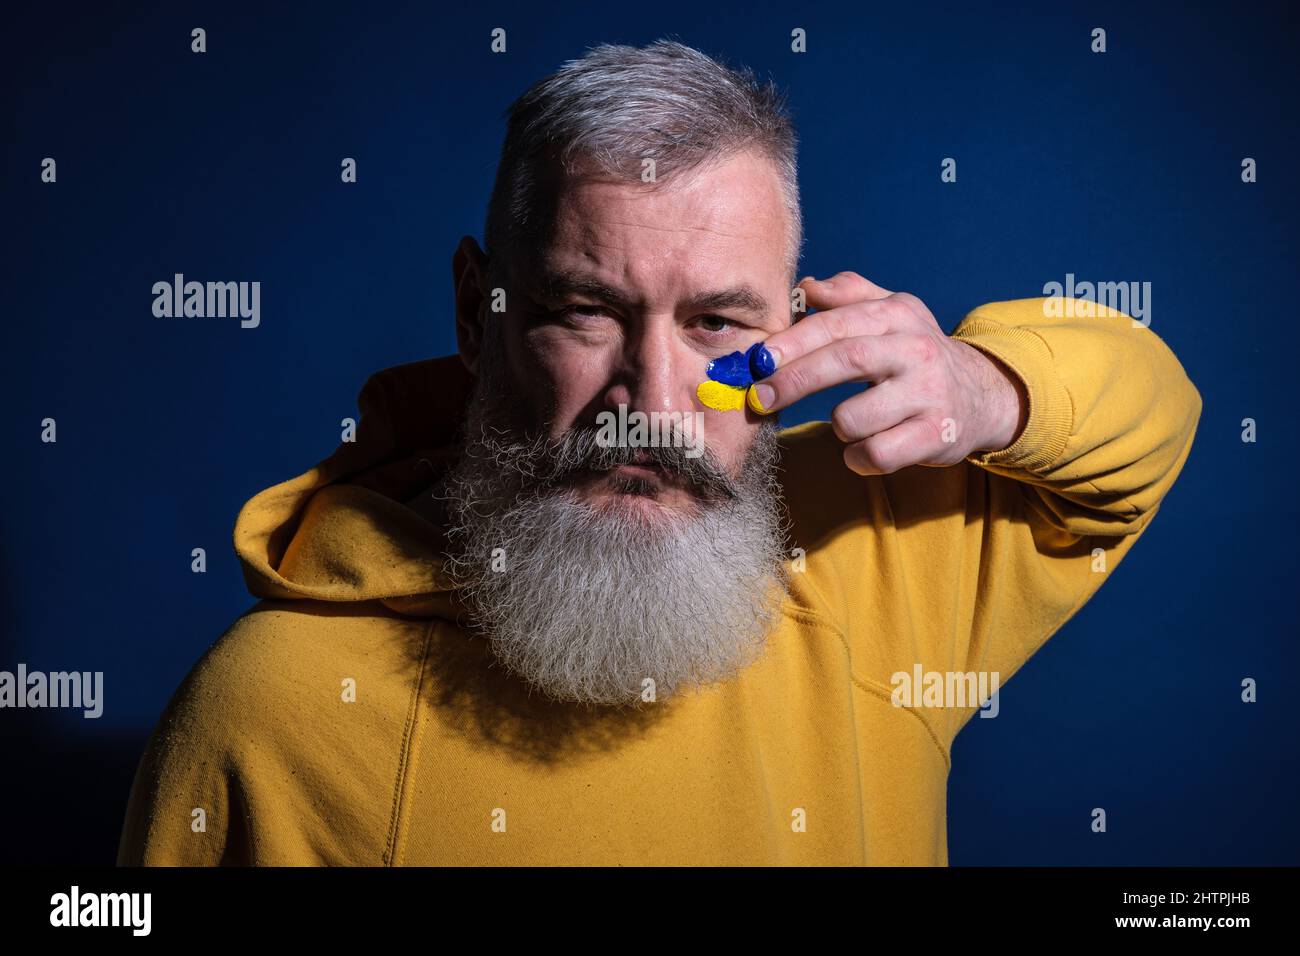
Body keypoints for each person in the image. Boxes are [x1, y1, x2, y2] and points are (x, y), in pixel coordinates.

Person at [118, 40, 1201, 866]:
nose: (651, 399)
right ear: (473, 311)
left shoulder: (875, 554)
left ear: (791, 317)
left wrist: (986, 385)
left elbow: (1152, 410)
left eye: (717, 324)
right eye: (585, 310)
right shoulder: (270, 711)